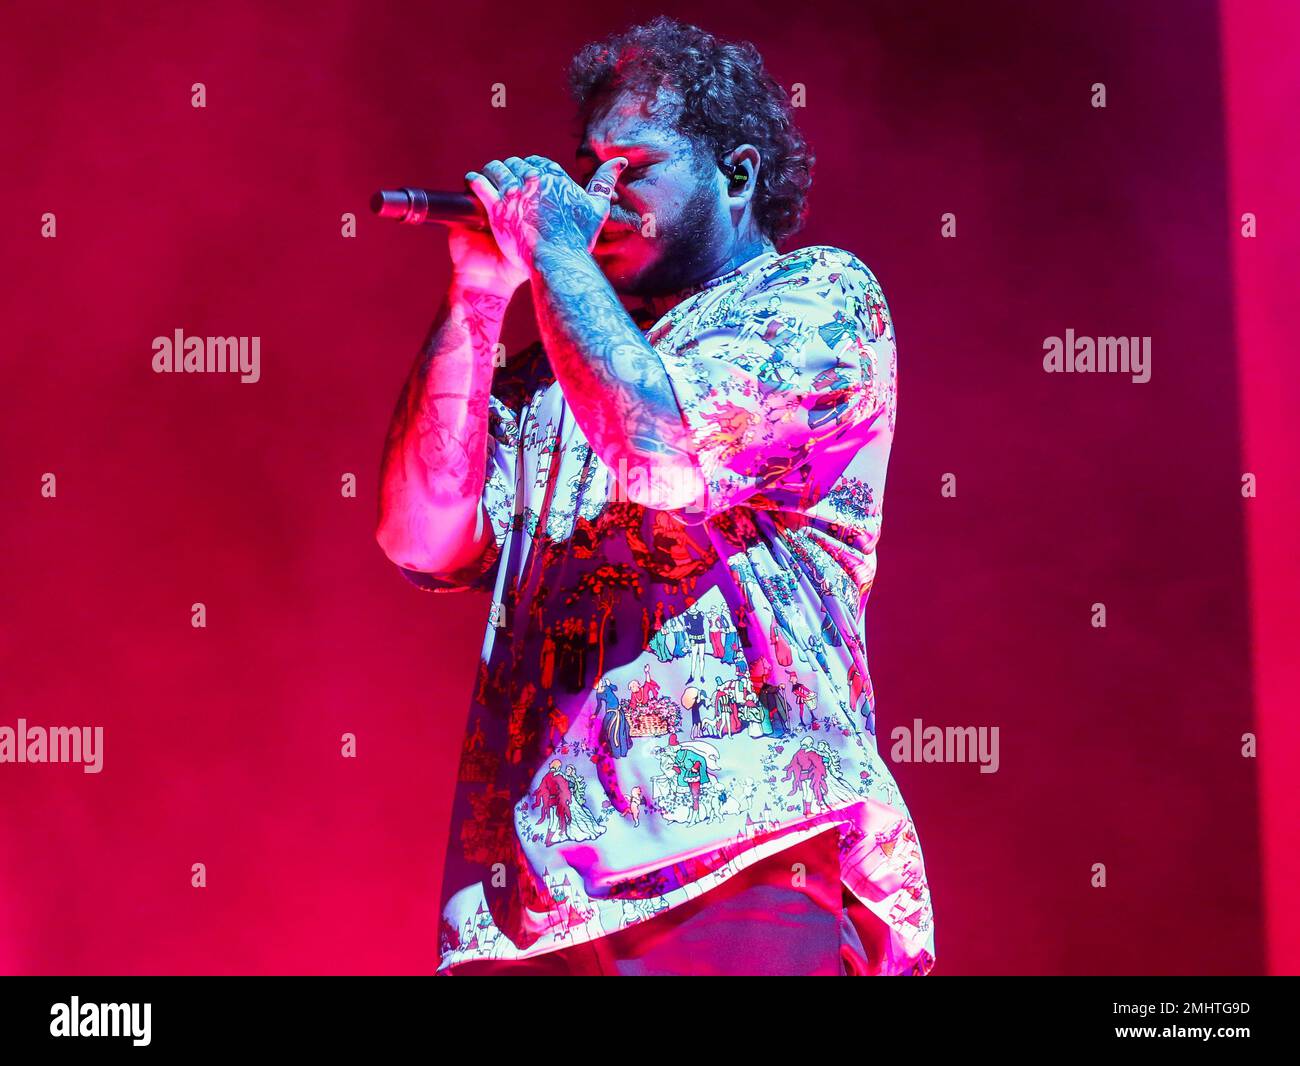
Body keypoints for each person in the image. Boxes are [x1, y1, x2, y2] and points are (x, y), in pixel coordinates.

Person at [376, 16, 934, 976]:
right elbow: (419, 537)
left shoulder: (818, 299)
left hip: (733, 871)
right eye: (588, 164)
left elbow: (660, 453)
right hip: (524, 906)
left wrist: (549, 254)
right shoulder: (549, 368)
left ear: (738, 175)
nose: (599, 193)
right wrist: (477, 289)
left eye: (634, 164)